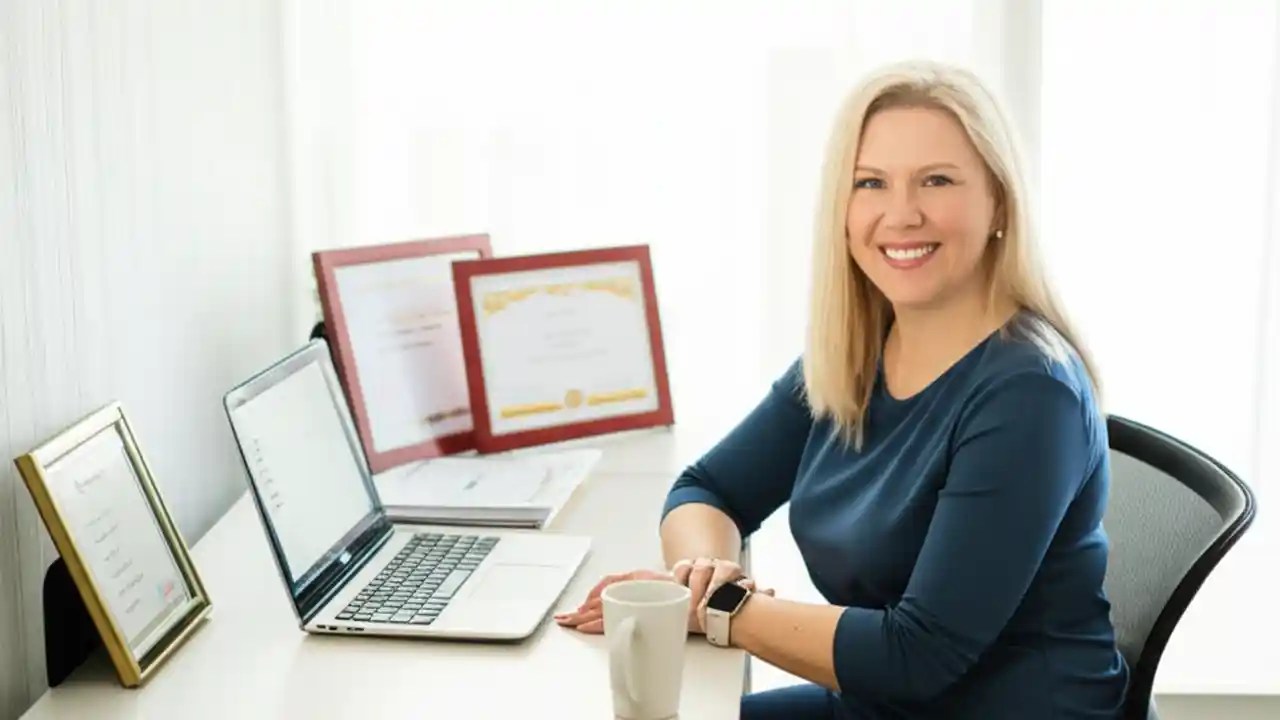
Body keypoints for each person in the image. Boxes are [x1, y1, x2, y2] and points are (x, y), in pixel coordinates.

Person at [555, 59, 1129, 719]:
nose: (901, 213)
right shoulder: (855, 353)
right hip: (877, 704)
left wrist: (721, 611)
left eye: (936, 180)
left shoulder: (1030, 395)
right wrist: (704, 576)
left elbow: (917, 655)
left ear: (999, 200)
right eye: (870, 183)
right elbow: (708, 490)